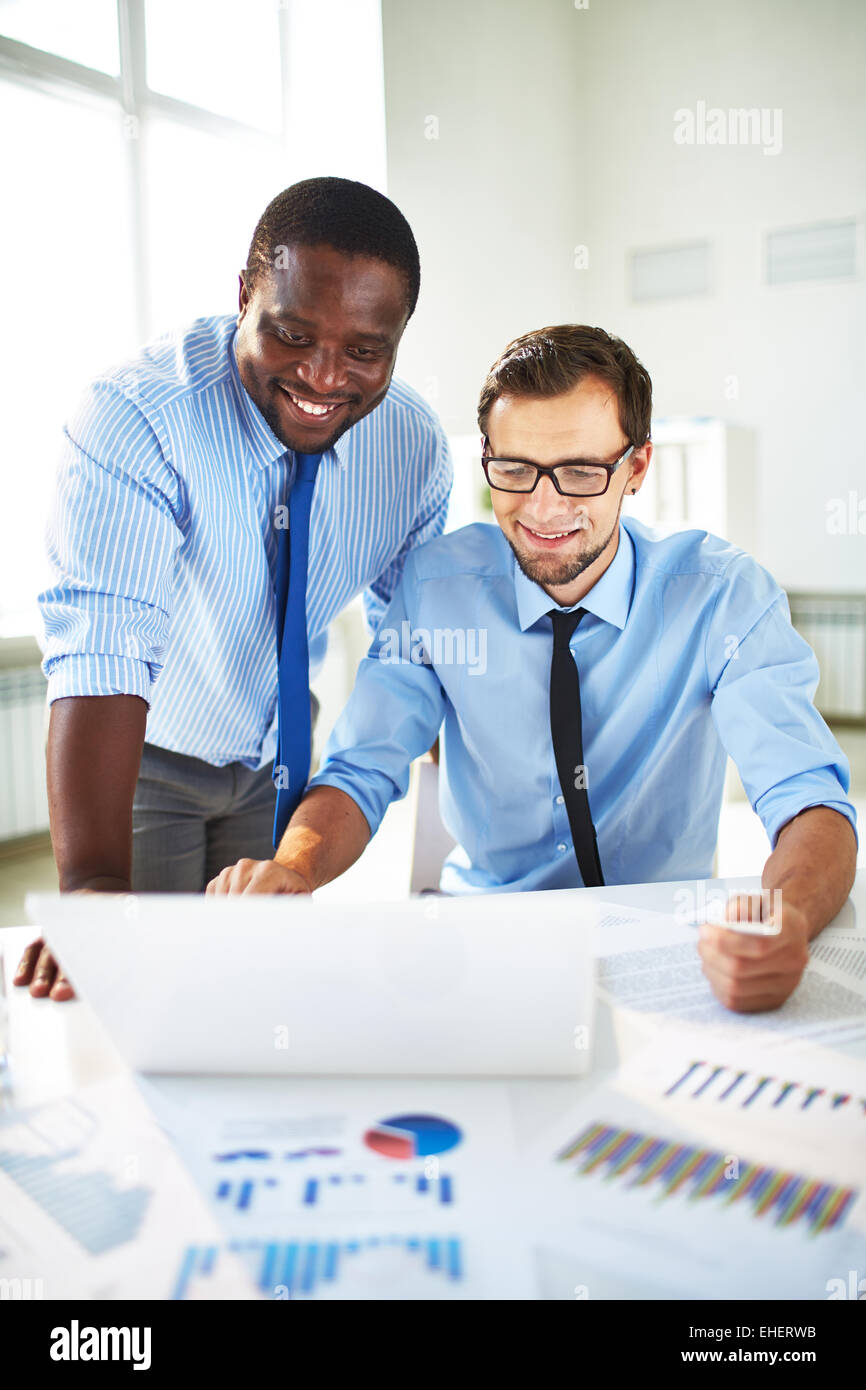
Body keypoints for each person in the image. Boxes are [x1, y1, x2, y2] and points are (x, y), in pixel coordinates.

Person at [209, 324, 858, 1014]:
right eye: (516, 471)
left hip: (666, 946)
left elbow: (808, 800)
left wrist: (784, 916)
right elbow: (359, 771)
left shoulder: (722, 595)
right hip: (485, 945)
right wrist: (293, 867)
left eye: (580, 472)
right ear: (487, 459)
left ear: (637, 468)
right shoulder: (436, 588)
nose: (544, 510)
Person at [15, 177, 452, 1001]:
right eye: (291, 334)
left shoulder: (414, 453)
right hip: (145, 759)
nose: (324, 377)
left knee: (253, 994)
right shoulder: (140, 414)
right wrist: (94, 896)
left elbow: (412, 653)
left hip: (281, 765)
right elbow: (103, 648)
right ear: (245, 294)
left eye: (364, 350)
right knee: (135, 994)